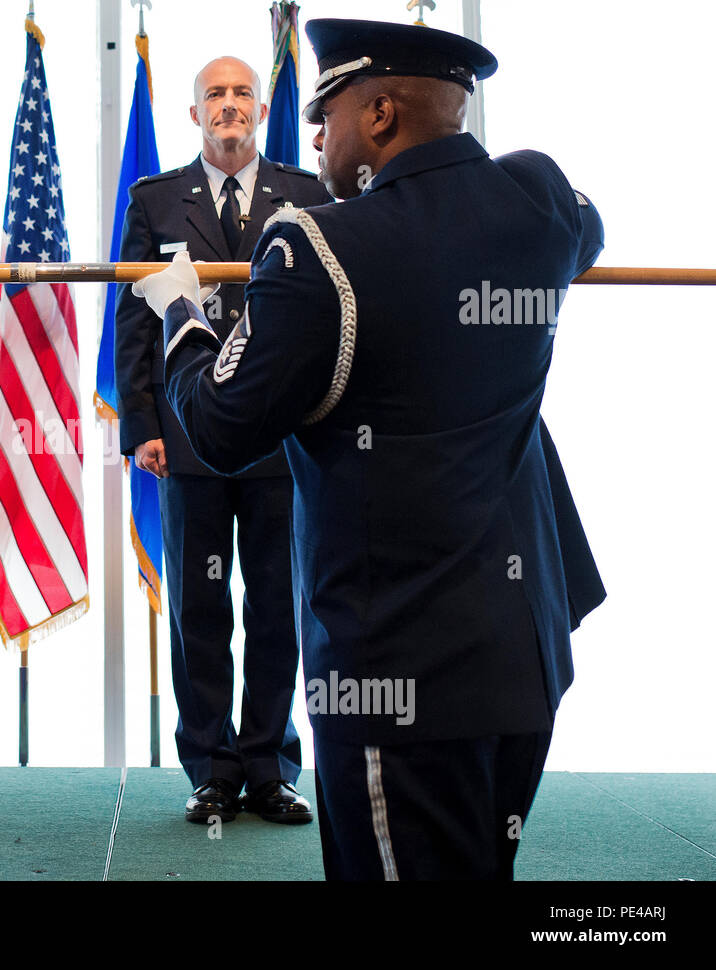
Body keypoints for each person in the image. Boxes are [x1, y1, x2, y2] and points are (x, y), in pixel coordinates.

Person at [134, 18, 605, 877]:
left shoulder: (319, 249)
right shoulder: (539, 198)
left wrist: (180, 314)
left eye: (328, 110)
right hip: (524, 656)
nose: (314, 134)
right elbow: (586, 228)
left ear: (381, 114)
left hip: (398, 676)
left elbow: (218, 425)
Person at [113, 55, 331, 824]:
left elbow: (326, 313)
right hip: (188, 433)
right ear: (195, 112)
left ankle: (270, 768)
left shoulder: (307, 196)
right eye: (216, 94)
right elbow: (136, 316)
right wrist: (140, 425)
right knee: (199, 609)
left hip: (282, 437)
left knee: (278, 606)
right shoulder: (156, 198)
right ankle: (212, 770)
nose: (229, 105)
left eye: (242, 93)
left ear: (262, 108)